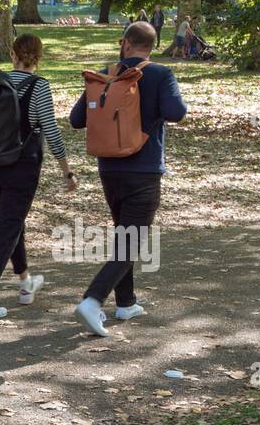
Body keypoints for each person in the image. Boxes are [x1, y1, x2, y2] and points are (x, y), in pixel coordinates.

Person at [68, 20, 187, 336]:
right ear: (152, 44)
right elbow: (177, 112)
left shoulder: (106, 72)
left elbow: (76, 119)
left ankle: (126, 302)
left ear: (125, 43)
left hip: (109, 169)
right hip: (144, 169)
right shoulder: (161, 74)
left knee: (125, 234)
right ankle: (93, 300)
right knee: (132, 242)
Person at [0, 34, 77, 320]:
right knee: (8, 226)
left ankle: (25, 282)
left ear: (13, 55)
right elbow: (51, 132)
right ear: (38, 57)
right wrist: (67, 172)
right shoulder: (39, 87)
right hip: (23, 166)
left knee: (10, 223)